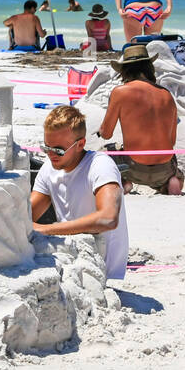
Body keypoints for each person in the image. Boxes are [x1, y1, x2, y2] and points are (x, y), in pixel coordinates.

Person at [30, 105, 129, 280]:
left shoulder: (100, 165)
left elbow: (108, 218)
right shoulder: (49, 167)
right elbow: (28, 213)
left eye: (58, 150)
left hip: (103, 269)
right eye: (46, 148)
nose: (51, 154)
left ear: (80, 144)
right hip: (72, 252)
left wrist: (48, 229)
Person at [98, 45, 183, 195]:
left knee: (102, 154)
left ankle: (123, 182)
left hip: (133, 167)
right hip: (164, 168)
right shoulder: (167, 95)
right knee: (171, 161)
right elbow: (173, 140)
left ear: (125, 70)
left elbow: (106, 134)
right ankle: (170, 182)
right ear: (149, 68)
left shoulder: (120, 92)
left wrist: (101, 130)